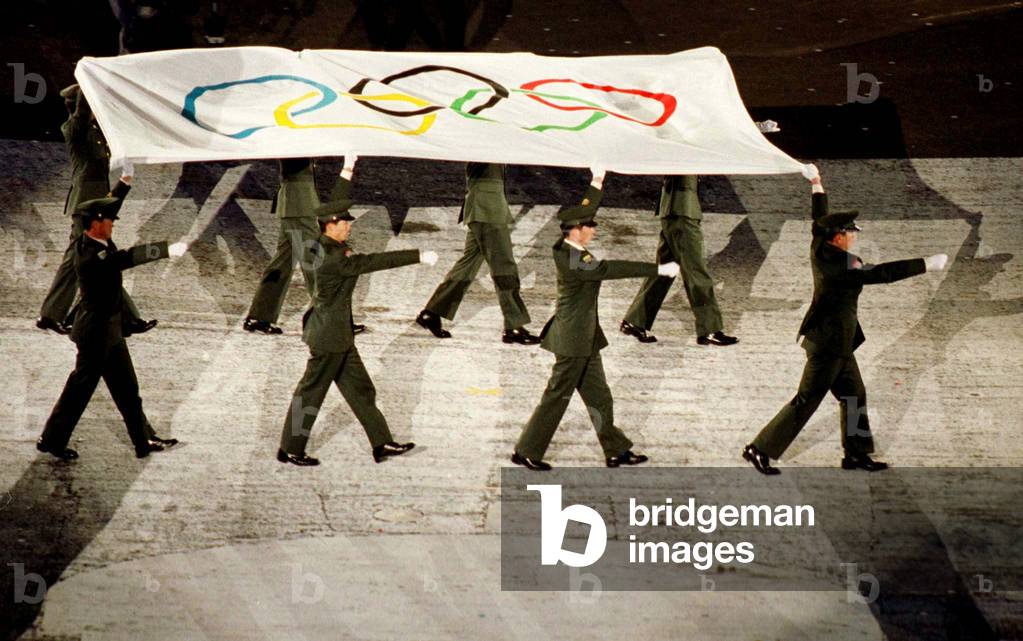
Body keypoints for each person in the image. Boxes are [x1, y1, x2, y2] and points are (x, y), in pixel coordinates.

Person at [742, 165, 949, 475]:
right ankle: (759, 448)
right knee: (806, 400)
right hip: (828, 346)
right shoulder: (842, 265)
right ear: (838, 238)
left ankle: (855, 454)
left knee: (854, 396)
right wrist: (925, 264)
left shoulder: (820, 245)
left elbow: (819, 219)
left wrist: (816, 184)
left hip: (839, 343)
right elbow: (882, 273)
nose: (853, 238)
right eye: (850, 234)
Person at [512, 169, 679, 470]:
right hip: (572, 341)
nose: (593, 230)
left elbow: (585, 210)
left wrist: (597, 182)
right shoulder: (576, 262)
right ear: (575, 231)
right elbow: (610, 269)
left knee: (600, 398)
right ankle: (527, 450)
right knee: (556, 397)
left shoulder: (567, 244)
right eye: (588, 227)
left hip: (585, 339)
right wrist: (658, 269)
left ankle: (615, 449)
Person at [278, 170, 437, 466]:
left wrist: (346, 172)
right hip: (329, 338)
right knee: (310, 394)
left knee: (362, 390)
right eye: (345, 223)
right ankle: (290, 448)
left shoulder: (316, 243)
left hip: (337, 334)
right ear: (331, 225)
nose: (350, 226)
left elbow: (333, 204)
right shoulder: (335, 259)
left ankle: (382, 443)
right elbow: (372, 262)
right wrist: (417, 256)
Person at [36, 188, 187, 461]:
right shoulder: (93, 255)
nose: (113, 224)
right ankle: (52, 439)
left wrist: (123, 187)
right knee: (80, 391)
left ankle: (143, 440)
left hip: (108, 333)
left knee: (126, 390)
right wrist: (165, 249)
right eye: (109, 220)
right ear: (96, 222)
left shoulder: (93, 242)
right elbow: (124, 259)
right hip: (96, 336)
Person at [37, 84, 155, 337]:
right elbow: (82, 110)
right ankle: (52, 315)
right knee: (85, 260)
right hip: (85, 204)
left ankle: (126, 319)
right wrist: (88, 81)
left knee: (101, 261)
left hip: (95, 203)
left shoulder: (93, 131)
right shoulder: (74, 127)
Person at [416, 163, 541, 344]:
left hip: (484, 209)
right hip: (487, 211)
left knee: (468, 264)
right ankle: (513, 325)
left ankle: (431, 313)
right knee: (504, 267)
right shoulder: (483, 149)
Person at [243, 156, 365, 335]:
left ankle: (259, 317)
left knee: (281, 265)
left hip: (295, 205)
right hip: (299, 207)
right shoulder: (293, 141)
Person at [621, 174, 738, 346]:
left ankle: (635, 321)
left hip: (675, 210)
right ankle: (709, 330)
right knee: (696, 272)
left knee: (666, 269)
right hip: (682, 211)